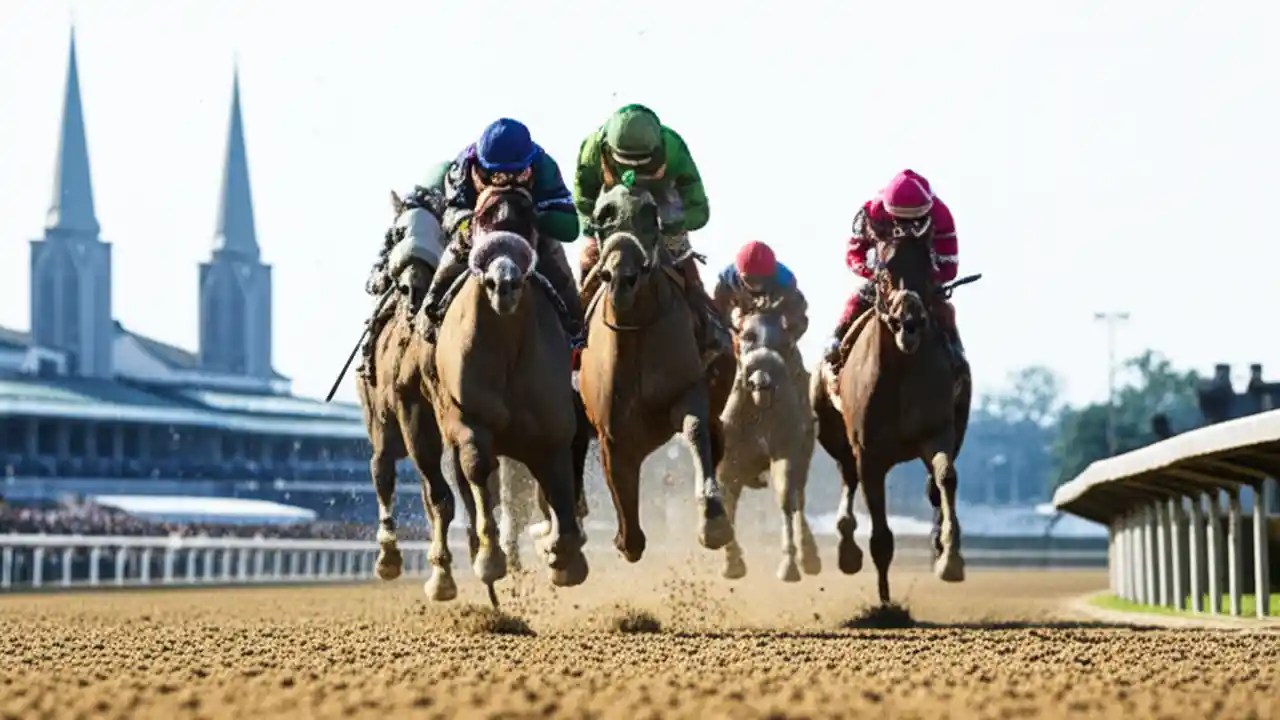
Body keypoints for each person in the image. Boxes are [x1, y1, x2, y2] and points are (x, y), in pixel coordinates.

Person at [573, 103, 727, 359]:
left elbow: (699, 210)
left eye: (642, 162)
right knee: (588, 258)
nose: (633, 168)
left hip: (659, 210)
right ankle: (576, 330)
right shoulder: (592, 149)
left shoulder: (674, 148)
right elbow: (583, 199)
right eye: (626, 162)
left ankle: (707, 325)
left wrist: (672, 223)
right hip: (612, 215)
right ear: (610, 150)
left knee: (681, 255)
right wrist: (593, 228)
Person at [420, 118, 584, 341]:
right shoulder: (463, 166)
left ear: (529, 165)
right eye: (495, 176)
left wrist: (539, 217)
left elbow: (571, 226)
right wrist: (467, 225)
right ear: (480, 167)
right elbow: (450, 211)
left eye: (516, 175)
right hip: (478, 229)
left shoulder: (544, 167)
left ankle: (576, 329)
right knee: (453, 254)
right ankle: (429, 313)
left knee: (556, 258)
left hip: (529, 230)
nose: (506, 182)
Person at [825, 169, 966, 375]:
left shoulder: (941, 215)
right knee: (857, 299)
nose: (908, 224)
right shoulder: (871, 211)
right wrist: (871, 272)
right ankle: (837, 340)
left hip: (923, 277)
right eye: (901, 219)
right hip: (885, 274)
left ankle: (956, 355)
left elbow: (950, 265)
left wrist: (929, 278)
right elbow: (853, 253)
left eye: (914, 219)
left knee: (945, 310)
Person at [357, 164, 449, 381]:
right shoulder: (436, 215)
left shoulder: (409, 214)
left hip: (413, 271)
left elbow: (378, 269)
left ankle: (367, 359)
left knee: (379, 313)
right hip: (425, 273)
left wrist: (378, 280)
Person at [713, 240, 809, 342]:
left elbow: (797, 316)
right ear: (739, 274)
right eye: (750, 280)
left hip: (774, 317)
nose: (756, 285)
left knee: (795, 317)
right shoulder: (727, 279)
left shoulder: (785, 283)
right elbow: (717, 309)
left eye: (761, 279)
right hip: (739, 320)